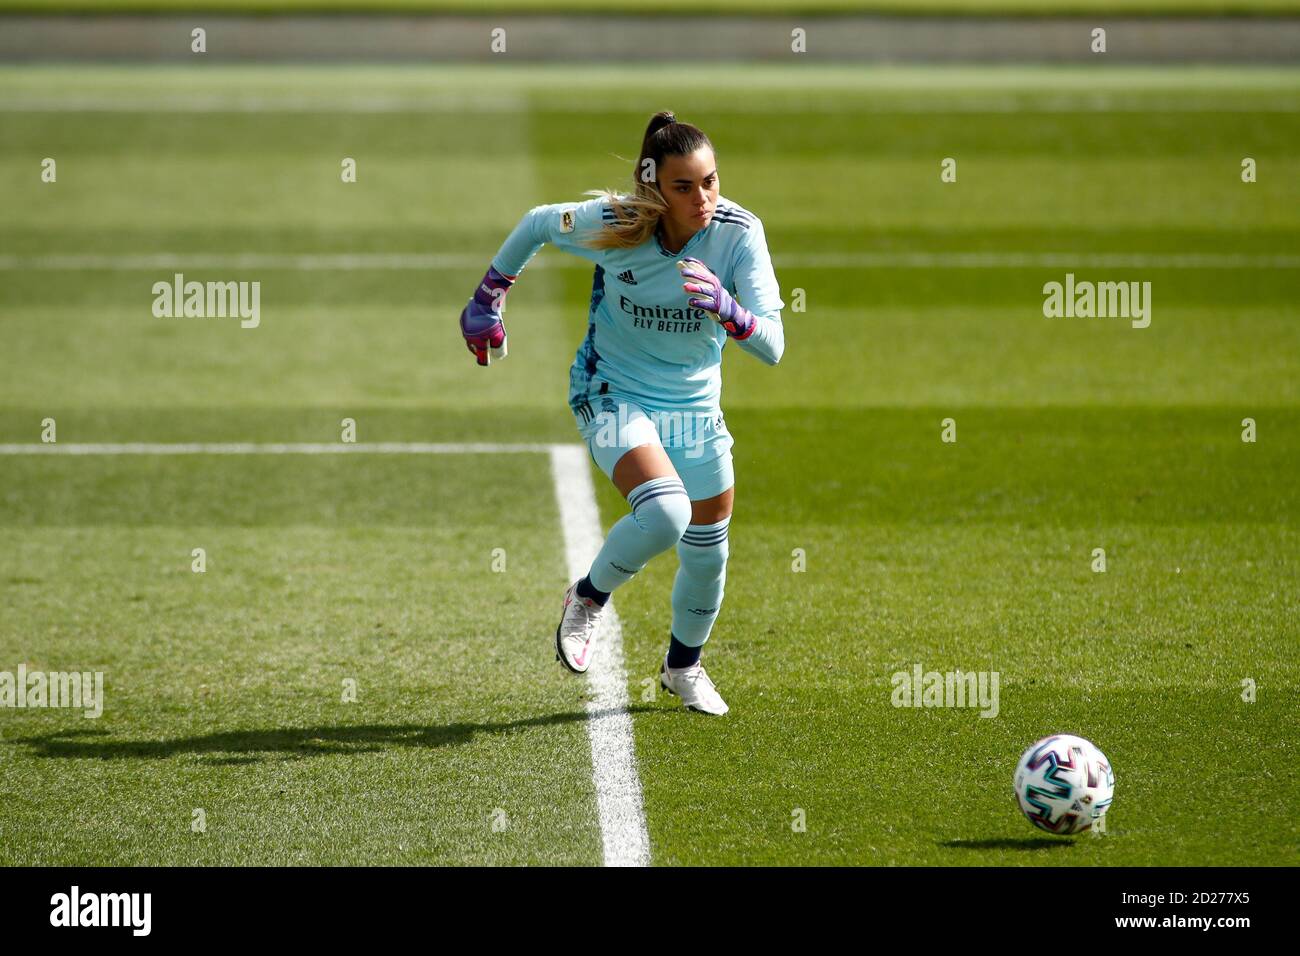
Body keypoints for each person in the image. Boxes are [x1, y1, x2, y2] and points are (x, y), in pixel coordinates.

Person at [459, 110, 784, 714]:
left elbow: (773, 346)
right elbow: (538, 223)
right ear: (654, 185)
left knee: (709, 550)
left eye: (710, 181)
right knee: (665, 514)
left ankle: (683, 668)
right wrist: (489, 294)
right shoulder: (618, 222)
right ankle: (588, 597)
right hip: (611, 388)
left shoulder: (739, 234)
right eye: (684, 186)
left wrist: (729, 308)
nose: (703, 198)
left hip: (694, 405)